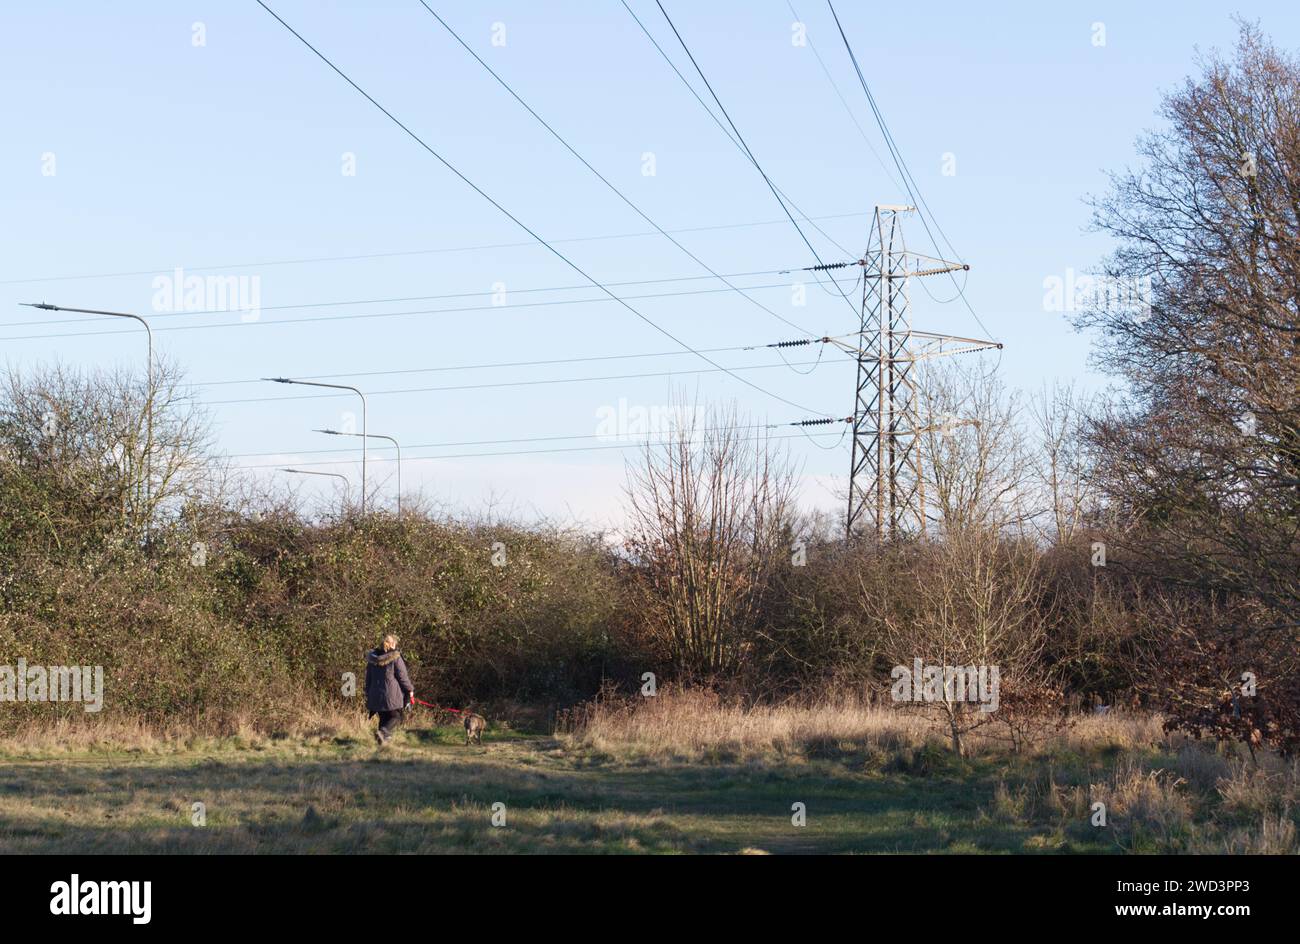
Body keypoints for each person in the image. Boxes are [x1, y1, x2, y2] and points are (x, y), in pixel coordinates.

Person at [365, 634, 413, 746]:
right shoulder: (395, 657)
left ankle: (382, 747)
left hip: (375, 694)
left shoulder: (372, 658)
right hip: (391, 695)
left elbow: (368, 678)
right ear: (392, 644)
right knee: (397, 717)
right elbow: (402, 677)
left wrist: (368, 692)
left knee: (383, 717)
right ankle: (382, 733)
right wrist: (410, 689)